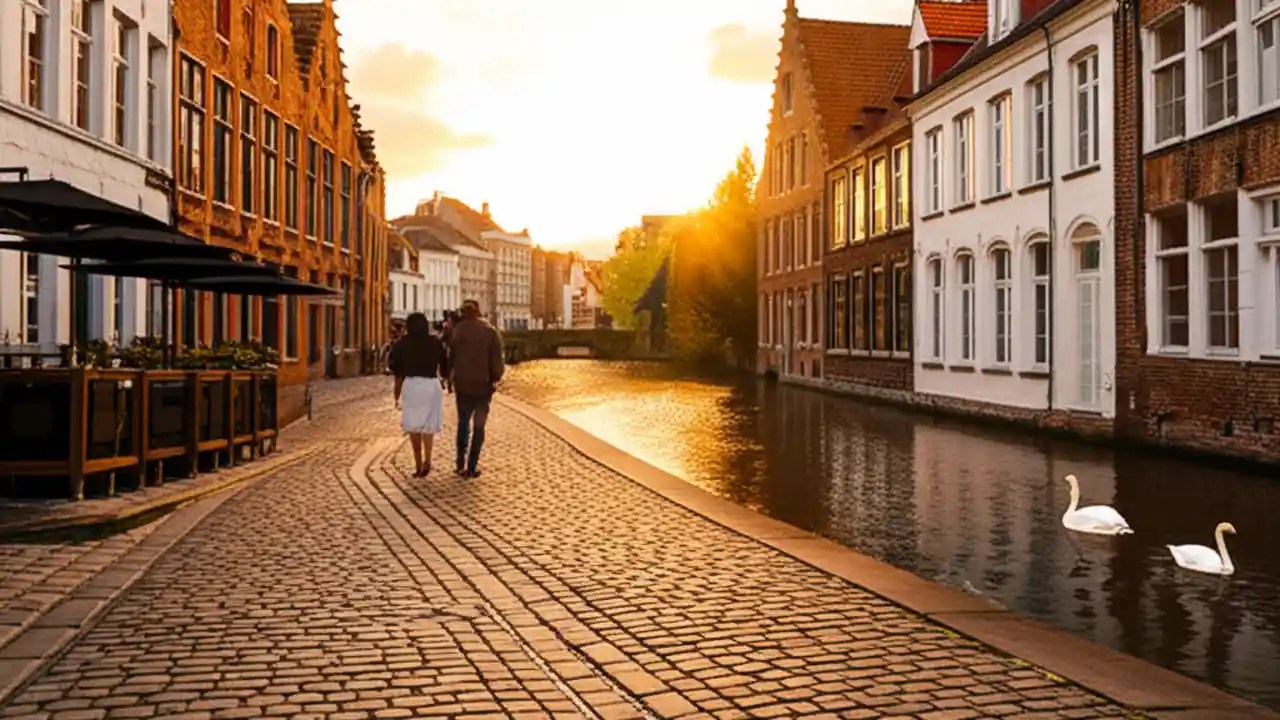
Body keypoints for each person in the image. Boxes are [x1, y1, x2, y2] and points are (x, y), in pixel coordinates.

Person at [449, 299, 505, 478]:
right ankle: (472, 466)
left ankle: (459, 463)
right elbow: (497, 359)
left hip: (463, 385)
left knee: (463, 423)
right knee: (479, 426)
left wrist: (448, 376)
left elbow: (450, 356)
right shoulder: (490, 331)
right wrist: (495, 377)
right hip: (483, 385)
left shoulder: (458, 331)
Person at [390, 312, 449, 478]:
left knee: (414, 427)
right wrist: (444, 377)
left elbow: (397, 371)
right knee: (428, 426)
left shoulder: (402, 344)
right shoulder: (434, 342)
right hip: (431, 385)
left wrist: (396, 395)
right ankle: (428, 460)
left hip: (412, 385)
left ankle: (417, 464)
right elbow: (444, 363)